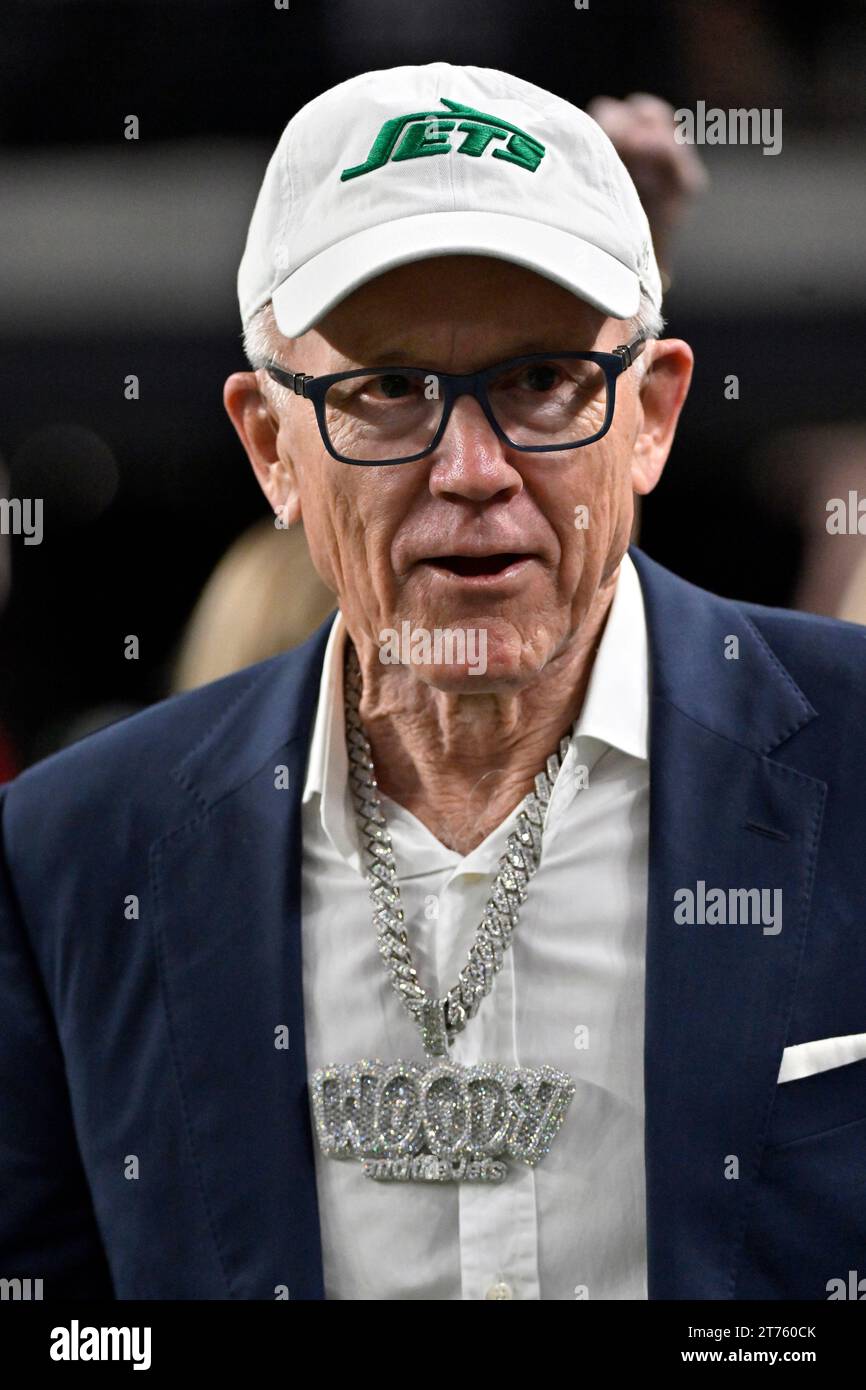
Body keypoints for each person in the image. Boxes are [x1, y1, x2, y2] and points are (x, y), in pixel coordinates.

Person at [1, 63, 864, 1302]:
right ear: (268, 445)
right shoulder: (69, 858)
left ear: (653, 414)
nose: (472, 468)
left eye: (538, 382)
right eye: (388, 390)